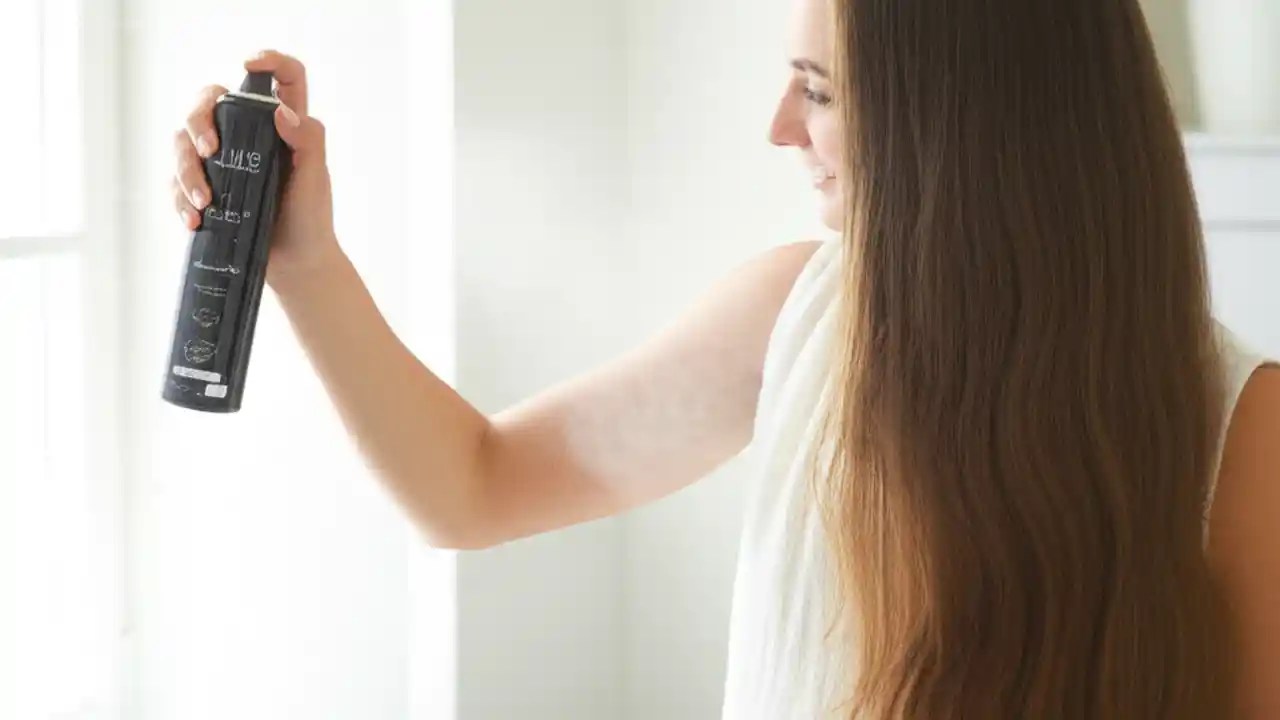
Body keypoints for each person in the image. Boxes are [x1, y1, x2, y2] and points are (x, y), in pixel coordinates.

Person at [168, 0, 1280, 716]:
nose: (779, 128)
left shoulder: (1242, 432)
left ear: (970, 123)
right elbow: (469, 485)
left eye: (823, 89)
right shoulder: (793, 317)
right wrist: (305, 262)